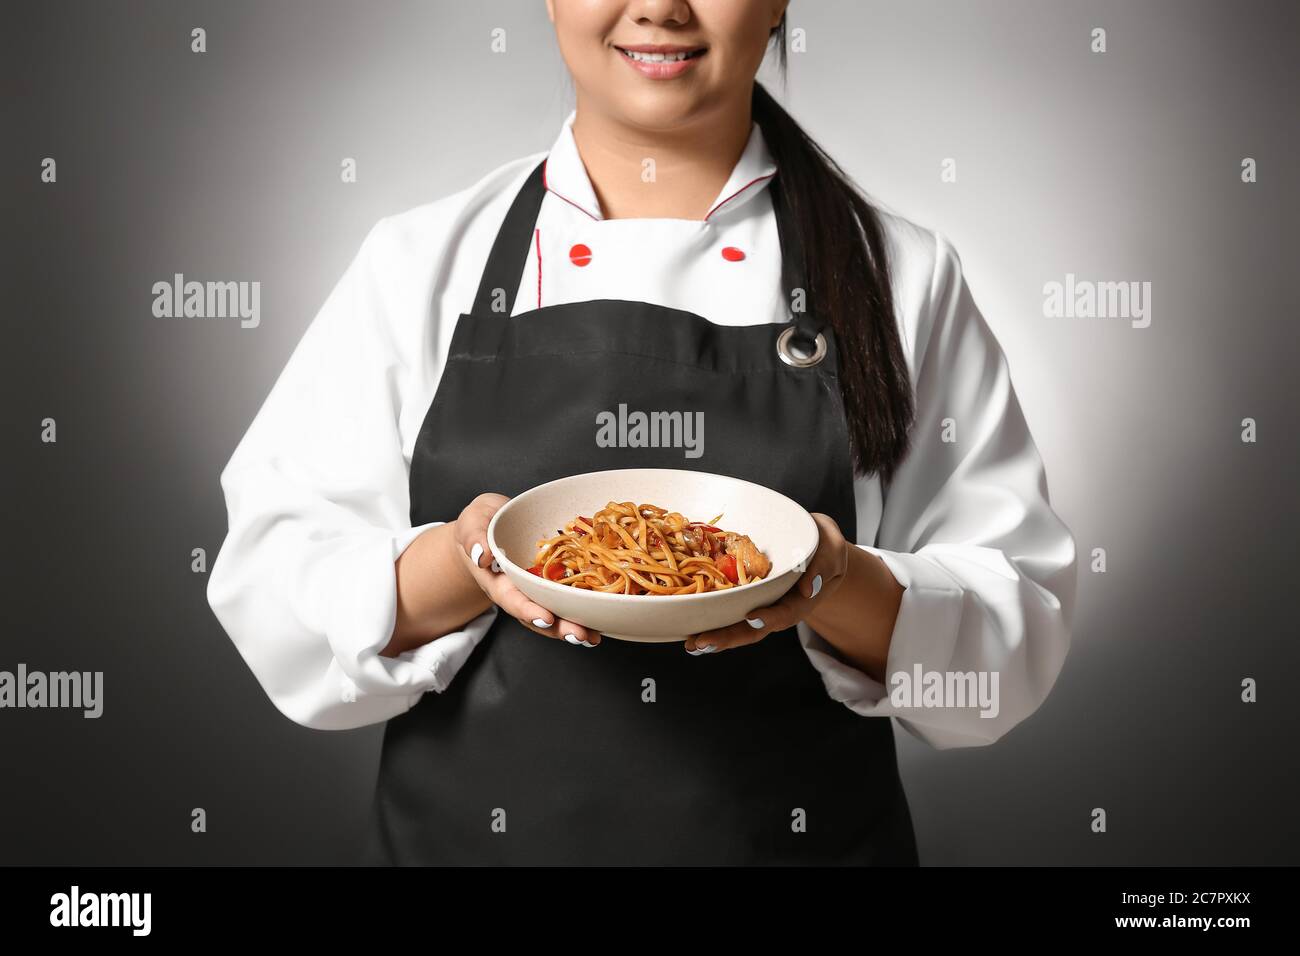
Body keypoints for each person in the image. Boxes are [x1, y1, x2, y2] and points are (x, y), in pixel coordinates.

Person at [207, 0, 1077, 865]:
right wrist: (467, 563)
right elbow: (275, 589)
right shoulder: (419, 264)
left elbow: (1011, 644)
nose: (660, 6)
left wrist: (831, 580)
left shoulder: (900, 273)